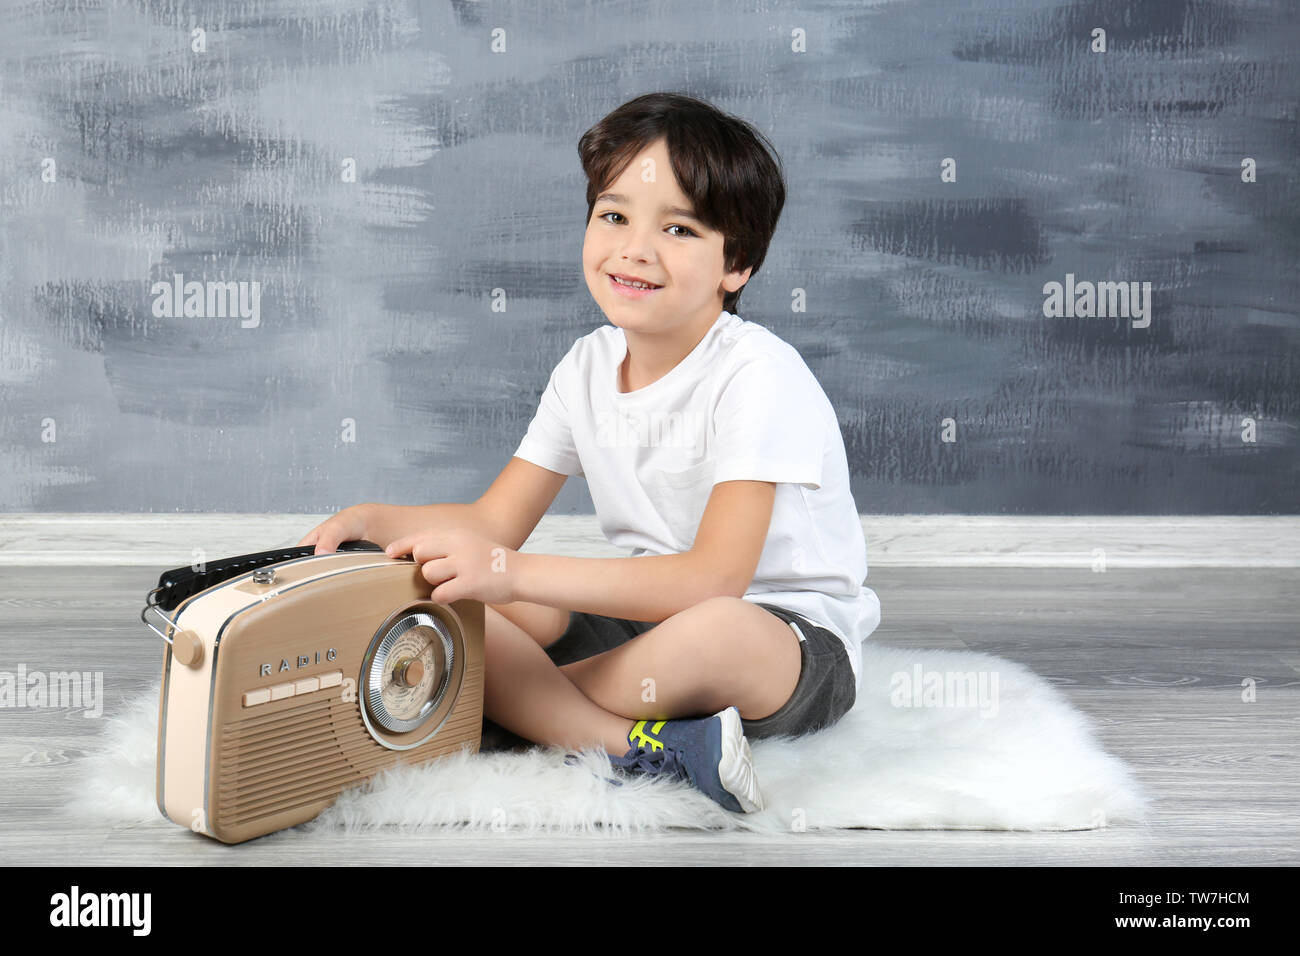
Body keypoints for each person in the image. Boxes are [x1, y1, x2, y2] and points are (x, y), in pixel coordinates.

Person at [298, 92, 881, 814]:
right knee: (453, 598)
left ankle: (511, 711)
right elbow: (492, 525)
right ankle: (635, 749)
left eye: (678, 228)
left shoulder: (758, 373)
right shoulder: (585, 367)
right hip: (639, 623)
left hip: (780, 642)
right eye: (614, 216)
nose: (635, 248)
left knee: (710, 631)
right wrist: (375, 519)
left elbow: (712, 580)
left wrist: (511, 577)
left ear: (739, 264)